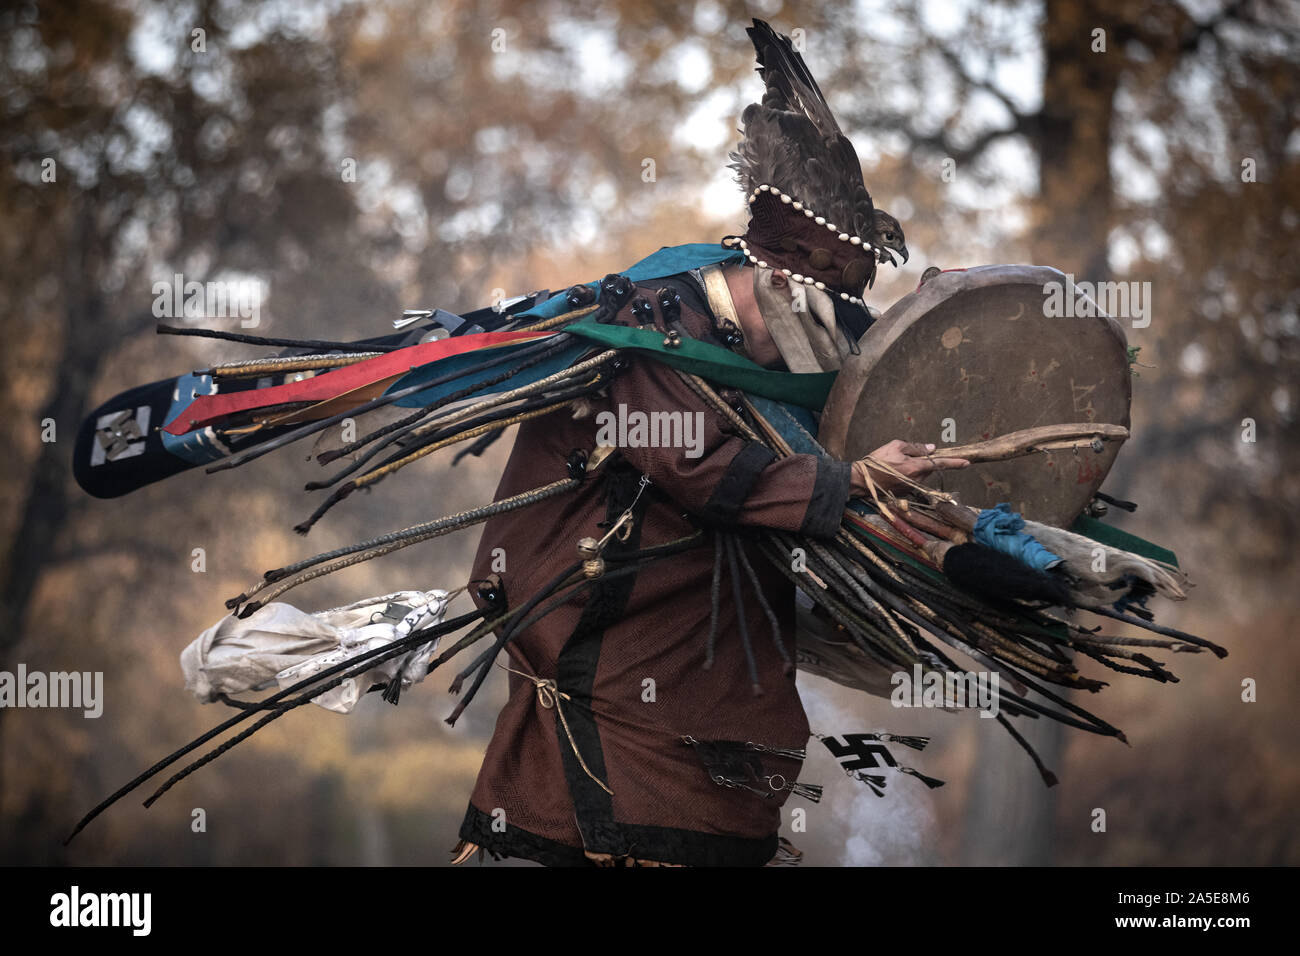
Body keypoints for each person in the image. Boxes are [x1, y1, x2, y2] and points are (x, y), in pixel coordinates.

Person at [452, 251, 968, 866]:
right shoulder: (646, 323)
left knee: (717, 810)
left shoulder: (737, 347)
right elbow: (694, 466)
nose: (827, 348)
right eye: (824, 320)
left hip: (708, 669)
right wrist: (853, 480)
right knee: (636, 820)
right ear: (780, 281)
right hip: (612, 655)